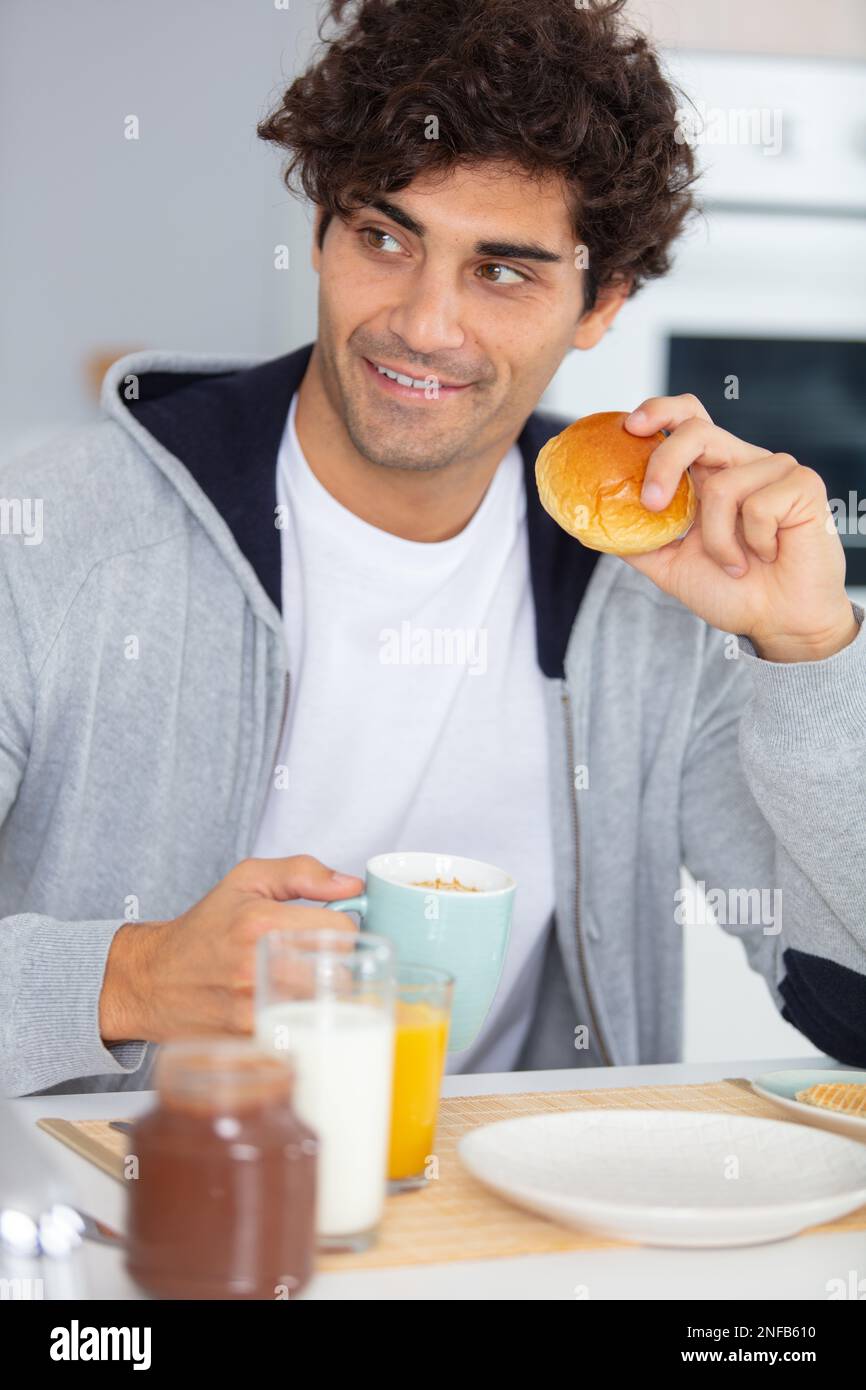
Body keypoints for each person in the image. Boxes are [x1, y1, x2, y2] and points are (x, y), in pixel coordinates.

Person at [1, 0, 863, 1098]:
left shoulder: (653, 597)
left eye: (501, 271)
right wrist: (129, 975)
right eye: (384, 237)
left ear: (599, 301)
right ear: (320, 230)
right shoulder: (51, 537)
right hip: (131, 1228)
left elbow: (851, 1003)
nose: (424, 323)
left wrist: (812, 652)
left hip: (492, 1237)